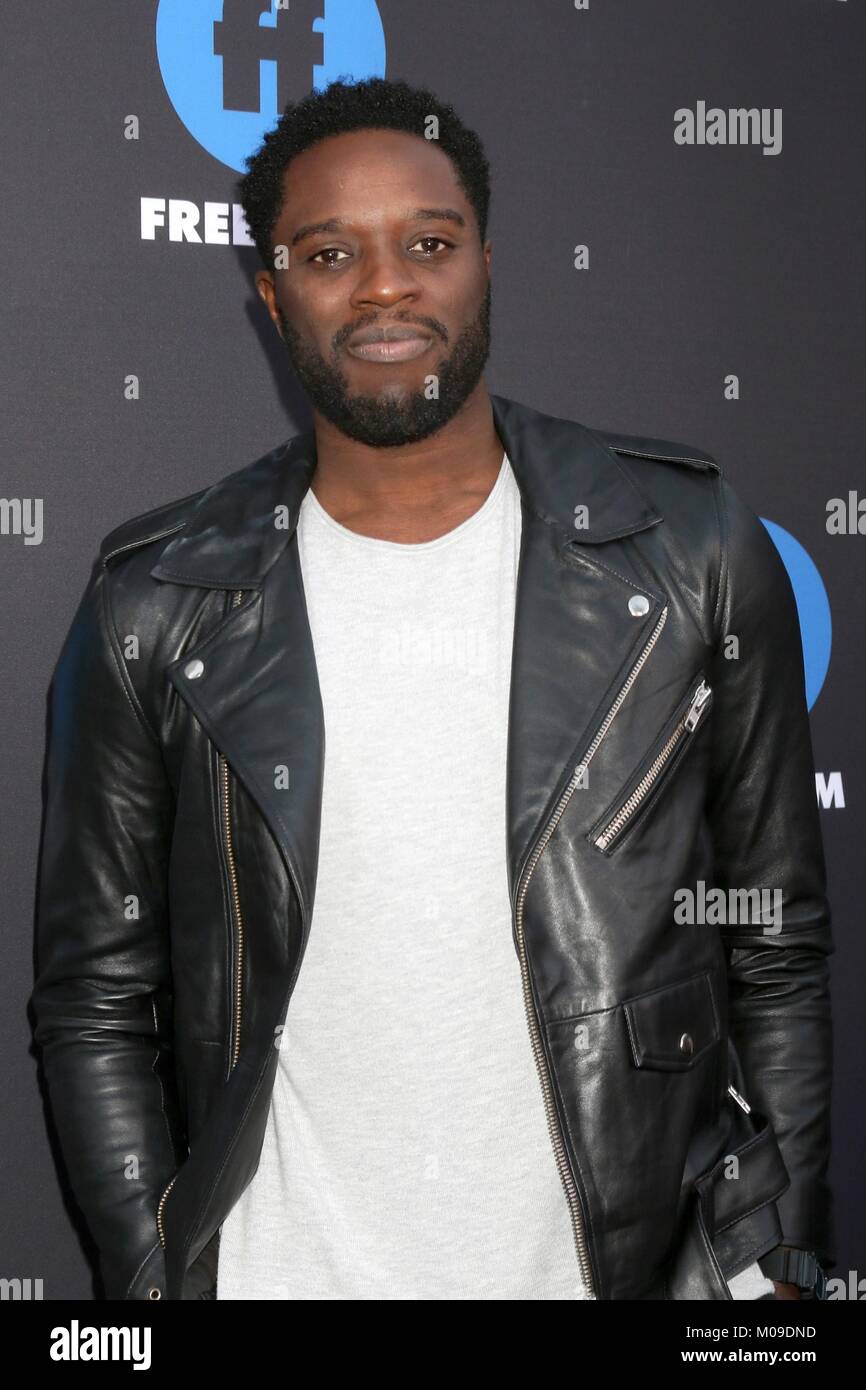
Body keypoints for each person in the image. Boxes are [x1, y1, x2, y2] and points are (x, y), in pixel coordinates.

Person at [31, 77, 833, 1301]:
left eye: (426, 243)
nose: (385, 285)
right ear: (271, 295)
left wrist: (769, 1263)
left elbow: (768, 942)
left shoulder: (684, 549)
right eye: (327, 252)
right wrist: (153, 1278)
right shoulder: (159, 601)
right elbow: (96, 994)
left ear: (483, 264)